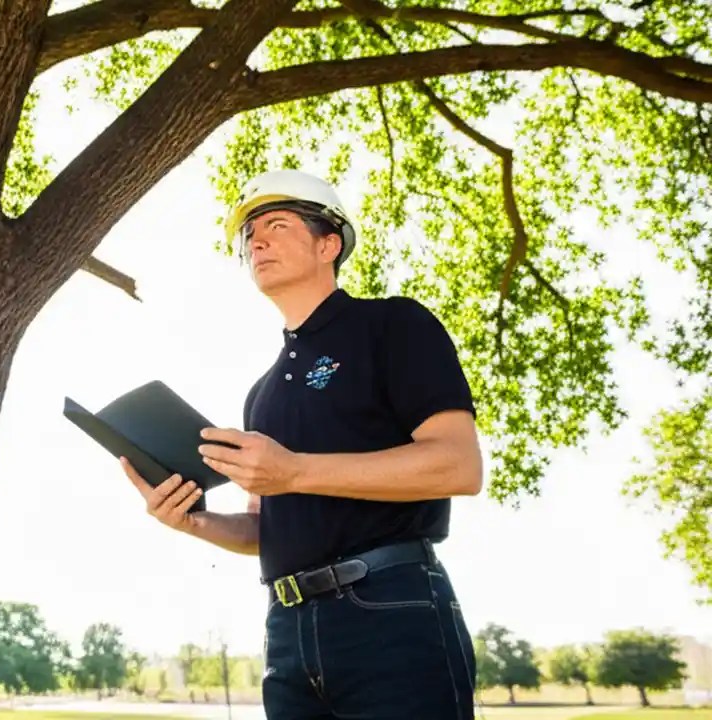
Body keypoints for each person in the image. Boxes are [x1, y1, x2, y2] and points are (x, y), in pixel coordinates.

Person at [121, 169, 483, 719]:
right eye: (249, 234)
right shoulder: (260, 396)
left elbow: (458, 465)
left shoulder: (393, 324)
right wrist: (194, 521)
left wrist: (294, 472)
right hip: (286, 629)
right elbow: (263, 530)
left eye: (277, 224)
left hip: (389, 607)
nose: (256, 240)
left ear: (328, 244)